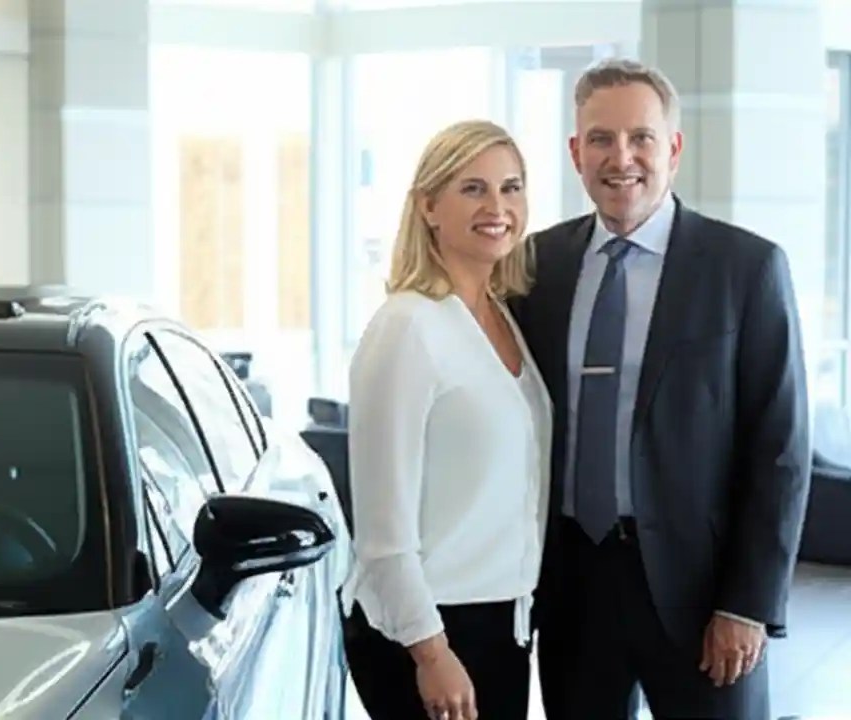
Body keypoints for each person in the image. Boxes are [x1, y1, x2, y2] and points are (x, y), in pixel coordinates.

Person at [509, 57, 812, 720]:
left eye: (641, 137)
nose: (622, 158)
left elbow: (780, 452)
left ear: (672, 149)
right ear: (575, 153)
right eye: (600, 139)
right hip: (573, 587)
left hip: (703, 596)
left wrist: (748, 604)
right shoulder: (537, 266)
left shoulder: (747, 269)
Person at [340, 119, 552, 720]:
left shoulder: (502, 318)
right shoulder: (407, 327)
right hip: (428, 631)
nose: (498, 207)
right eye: (473, 189)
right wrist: (431, 653)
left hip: (503, 622)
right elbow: (383, 533)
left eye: (512, 188)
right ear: (428, 205)